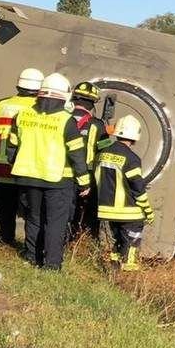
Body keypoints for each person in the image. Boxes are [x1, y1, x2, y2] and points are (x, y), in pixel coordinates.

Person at [5, 72, 90, 270]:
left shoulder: (22, 115)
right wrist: (84, 182)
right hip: (56, 180)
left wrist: (16, 166)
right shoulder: (66, 121)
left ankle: (30, 257)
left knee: (33, 218)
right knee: (55, 223)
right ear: (64, 96)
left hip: (27, 177)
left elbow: (12, 147)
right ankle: (52, 264)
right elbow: (77, 154)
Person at [0, 67, 43, 245]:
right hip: (28, 167)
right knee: (31, 208)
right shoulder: (40, 109)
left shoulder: (0, 104)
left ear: (18, 85)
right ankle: (29, 244)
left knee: (5, 207)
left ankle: (6, 240)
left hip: (2, 166)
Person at [94, 114, 153, 271]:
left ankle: (114, 269)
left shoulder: (103, 152)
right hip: (127, 211)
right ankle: (129, 272)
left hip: (106, 209)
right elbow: (137, 187)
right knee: (131, 241)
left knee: (118, 241)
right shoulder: (131, 158)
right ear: (134, 138)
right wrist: (147, 210)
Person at [67, 81, 106, 237]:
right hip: (87, 174)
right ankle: (80, 237)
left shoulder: (63, 119)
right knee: (84, 210)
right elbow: (103, 148)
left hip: (62, 171)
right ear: (92, 104)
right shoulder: (97, 125)